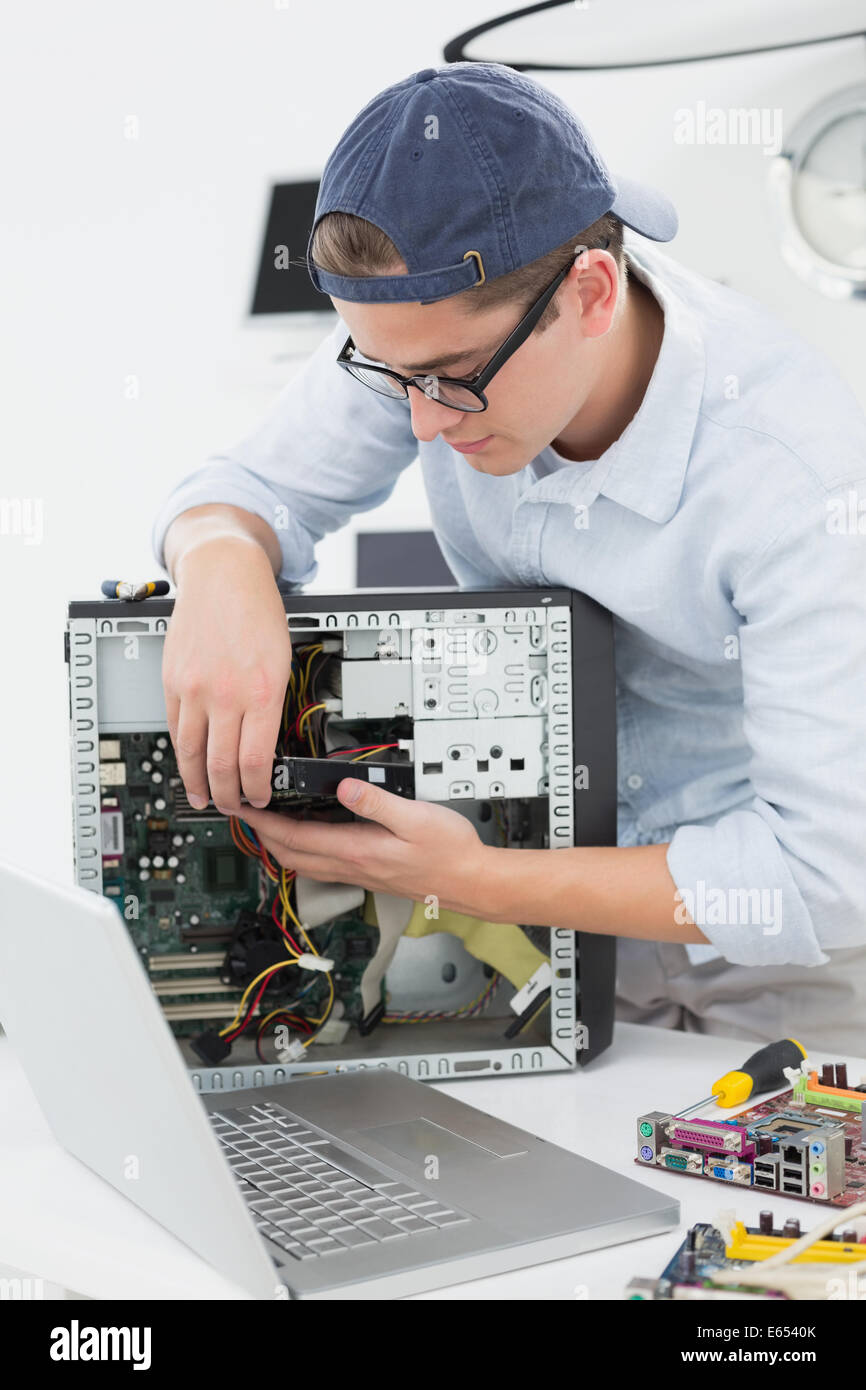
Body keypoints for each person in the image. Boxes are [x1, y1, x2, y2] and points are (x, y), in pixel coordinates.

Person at [152, 62, 866, 1050]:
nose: (418, 424)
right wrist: (223, 563)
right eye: (389, 374)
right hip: (555, 920)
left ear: (590, 290)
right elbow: (242, 492)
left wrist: (474, 879)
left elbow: (824, 875)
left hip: (789, 963)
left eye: (447, 381)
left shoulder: (798, 475)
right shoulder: (429, 334)